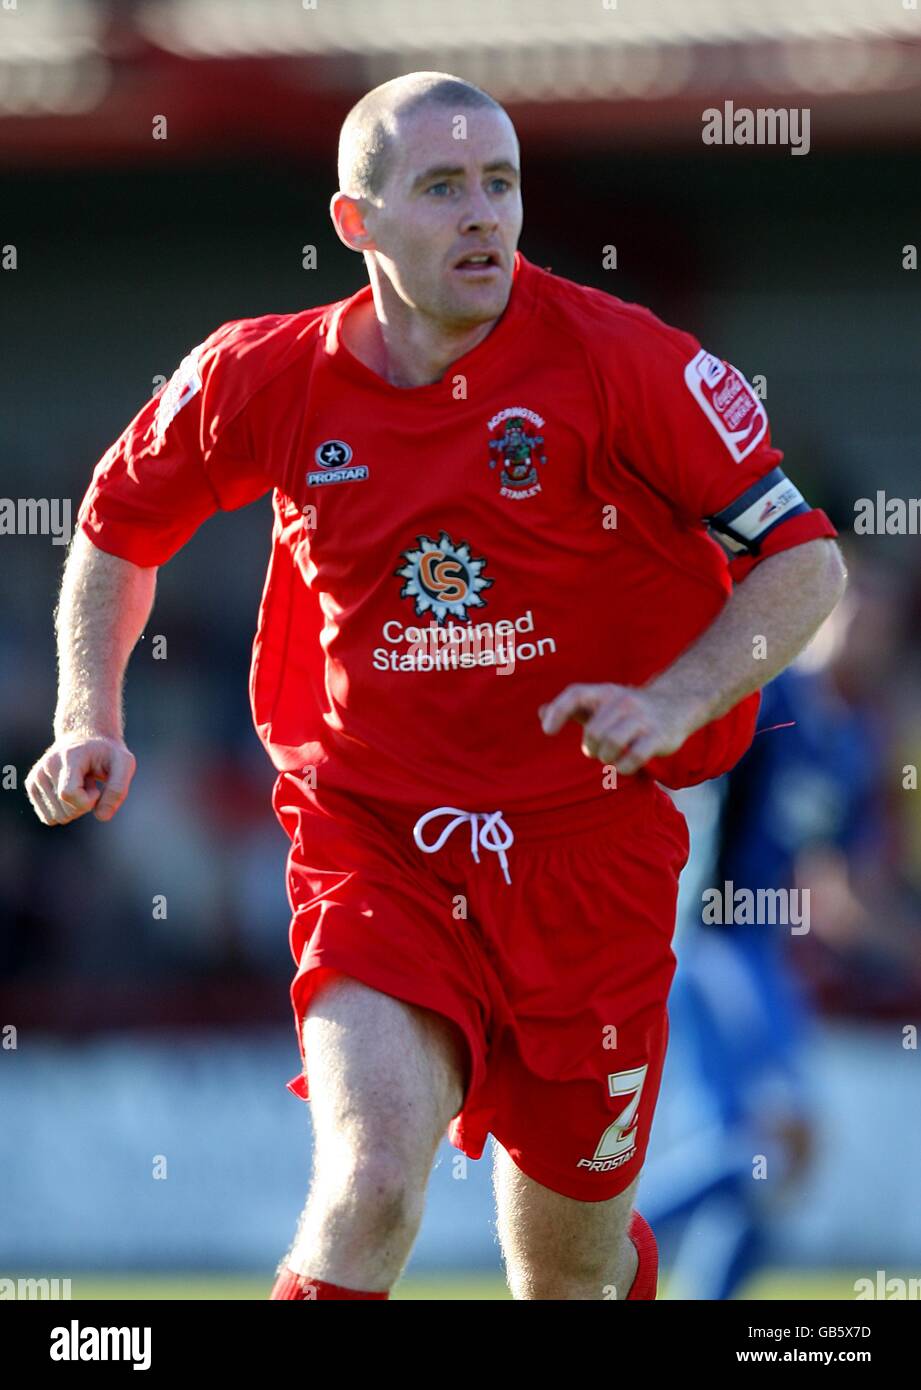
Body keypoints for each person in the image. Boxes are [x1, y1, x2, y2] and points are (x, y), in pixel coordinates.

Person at [25, 71, 845, 1301]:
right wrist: (88, 711)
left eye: (501, 184)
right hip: (376, 841)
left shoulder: (623, 360)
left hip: (592, 853)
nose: (485, 216)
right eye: (444, 187)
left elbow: (804, 558)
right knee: (366, 1188)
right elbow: (119, 529)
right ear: (356, 222)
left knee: (564, 1270)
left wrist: (673, 699)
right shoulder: (265, 375)